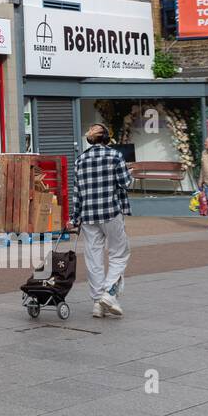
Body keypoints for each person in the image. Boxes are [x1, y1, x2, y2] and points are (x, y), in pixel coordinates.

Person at [70, 124, 132, 318]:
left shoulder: (80, 160)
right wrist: (130, 173)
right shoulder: (115, 156)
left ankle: (98, 302)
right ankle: (109, 294)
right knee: (119, 253)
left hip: (88, 215)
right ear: (106, 138)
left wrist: (74, 218)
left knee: (93, 258)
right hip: (110, 212)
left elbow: (77, 193)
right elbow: (125, 183)